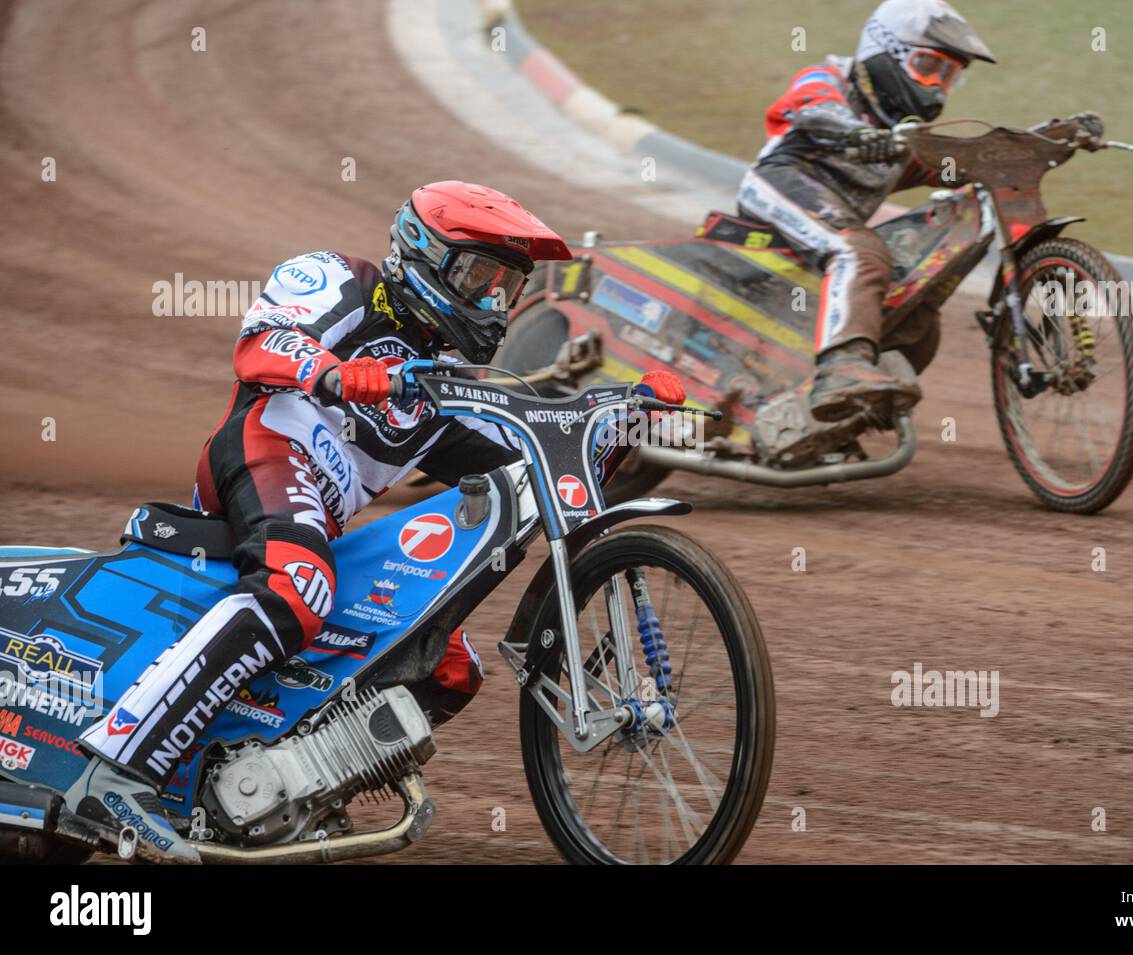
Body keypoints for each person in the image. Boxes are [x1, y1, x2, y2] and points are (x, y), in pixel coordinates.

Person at [63, 181, 685, 861]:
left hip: (320, 523)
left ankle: (284, 786)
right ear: (424, 254)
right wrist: (333, 373)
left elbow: (544, 466)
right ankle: (116, 768)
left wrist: (623, 415)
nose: (493, 301)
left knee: (446, 666)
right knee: (299, 587)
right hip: (266, 447)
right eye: (479, 277)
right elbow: (260, 344)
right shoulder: (339, 279)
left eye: (505, 286)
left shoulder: (444, 388)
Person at [737, 0, 995, 422]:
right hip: (778, 187)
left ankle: (849, 412)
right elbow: (815, 110)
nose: (936, 86)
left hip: (832, 222)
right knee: (860, 251)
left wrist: (1027, 148)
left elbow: (939, 167)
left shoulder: (900, 134)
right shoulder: (829, 78)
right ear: (885, 50)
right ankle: (840, 372)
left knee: (916, 303)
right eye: (927, 65)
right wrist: (857, 132)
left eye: (948, 75)